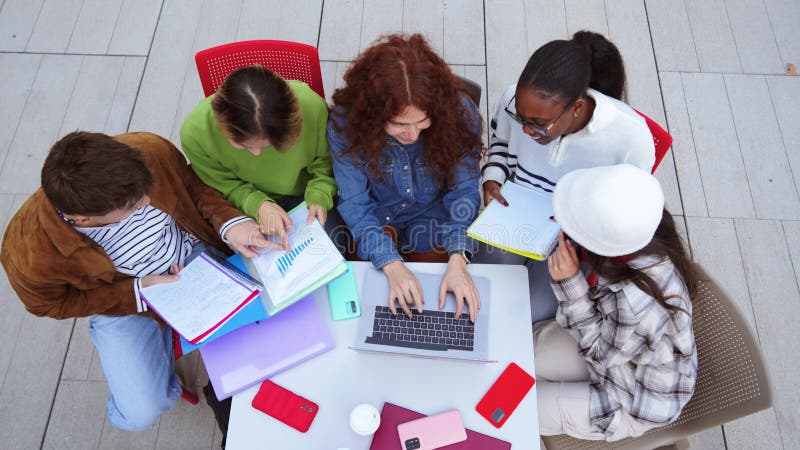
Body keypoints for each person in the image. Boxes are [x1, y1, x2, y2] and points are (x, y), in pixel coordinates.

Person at [0, 131, 267, 432]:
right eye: (134, 205)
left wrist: (229, 223)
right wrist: (136, 293)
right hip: (122, 302)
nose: (148, 200)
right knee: (140, 413)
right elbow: (48, 304)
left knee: (268, 333)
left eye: (146, 189)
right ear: (84, 219)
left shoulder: (146, 150)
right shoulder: (27, 254)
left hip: (193, 256)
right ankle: (167, 371)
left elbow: (192, 186)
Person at [475, 30, 656, 323]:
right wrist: (493, 178)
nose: (526, 130)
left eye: (539, 124)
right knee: (484, 293)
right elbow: (501, 142)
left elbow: (629, 204)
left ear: (576, 108)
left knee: (530, 315)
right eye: (521, 117)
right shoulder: (513, 100)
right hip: (514, 215)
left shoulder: (631, 138)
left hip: (576, 235)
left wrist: (579, 228)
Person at [535, 164, 697, 441]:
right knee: (516, 355)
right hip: (617, 350)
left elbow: (601, 355)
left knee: (510, 407)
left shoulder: (633, 298)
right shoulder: (643, 226)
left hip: (629, 399)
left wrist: (570, 283)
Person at [328, 34, 484, 322]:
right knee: (366, 311)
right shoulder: (344, 122)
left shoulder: (460, 112)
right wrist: (391, 263)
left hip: (434, 218)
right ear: (372, 115)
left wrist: (458, 259)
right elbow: (355, 205)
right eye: (399, 124)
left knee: (438, 308)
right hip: (376, 218)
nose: (412, 135)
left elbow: (463, 192)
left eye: (423, 122)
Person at [180, 65, 341, 252]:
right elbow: (223, 184)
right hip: (243, 205)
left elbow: (327, 163)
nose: (257, 153)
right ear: (222, 125)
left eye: (269, 145)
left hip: (305, 195)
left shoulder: (312, 108)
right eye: (244, 145)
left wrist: (319, 194)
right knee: (253, 263)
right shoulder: (196, 134)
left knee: (337, 244)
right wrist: (258, 205)